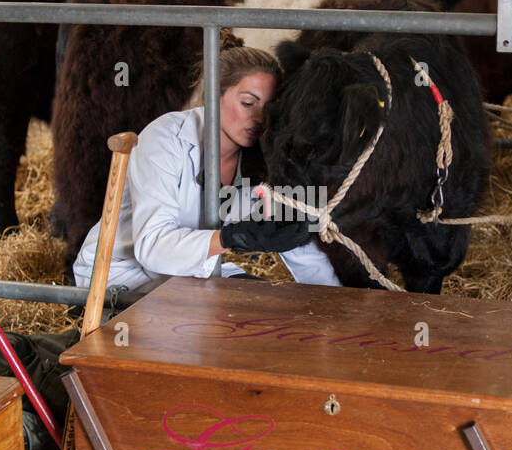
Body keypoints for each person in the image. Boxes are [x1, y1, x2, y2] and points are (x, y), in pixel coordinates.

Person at [72, 47, 340, 293]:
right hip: (122, 274)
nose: (259, 118)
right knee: (245, 320)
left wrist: (338, 303)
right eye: (248, 103)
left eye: (268, 108)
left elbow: (300, 245)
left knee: (270, 306)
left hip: (194, 274)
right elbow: (151, 247)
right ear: (214, 95)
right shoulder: (165, 138)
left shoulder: (262, 155)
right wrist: (232, 238)